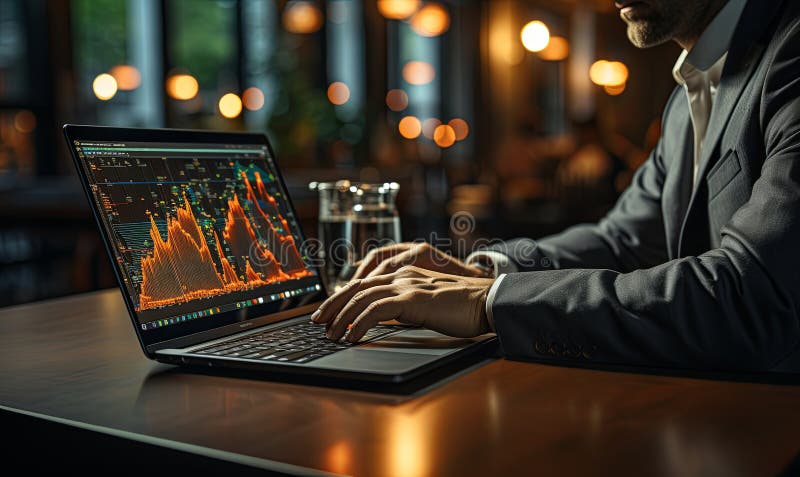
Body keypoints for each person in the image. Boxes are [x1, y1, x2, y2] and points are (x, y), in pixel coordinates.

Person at [312, 0, 800, 372]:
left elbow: (753, 297)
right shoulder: (685, 97)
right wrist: (485, 269)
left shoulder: (789, 52)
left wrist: (490, 302)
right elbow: (622, 241)